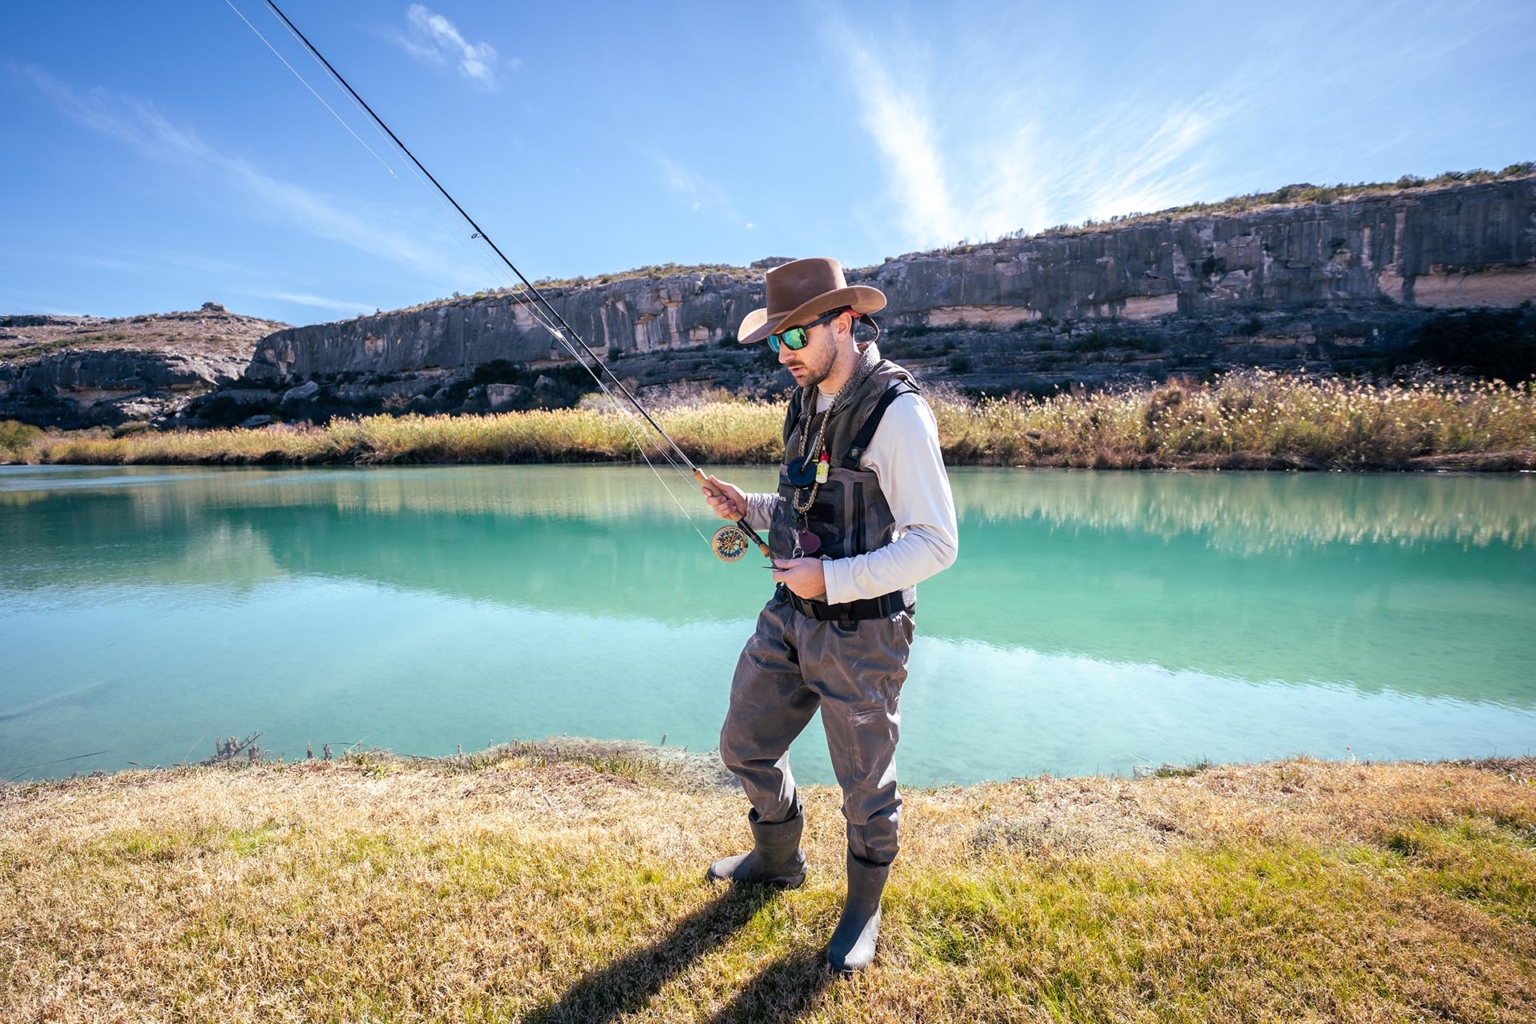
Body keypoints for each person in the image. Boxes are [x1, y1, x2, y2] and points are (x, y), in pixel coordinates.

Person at [700, 256, 959, 973]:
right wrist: (748, 506)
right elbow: (805, 503)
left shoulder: (900, 413)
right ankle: (779, 860)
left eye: (794, 338)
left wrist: (832, 579)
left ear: (843, 323)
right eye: (775, 342)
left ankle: (861, 911)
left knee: (866, 791)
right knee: (742, 745)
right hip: (789, 615)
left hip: (866, 633)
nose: (782, 356)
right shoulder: (807, 398)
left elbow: (938, 545)